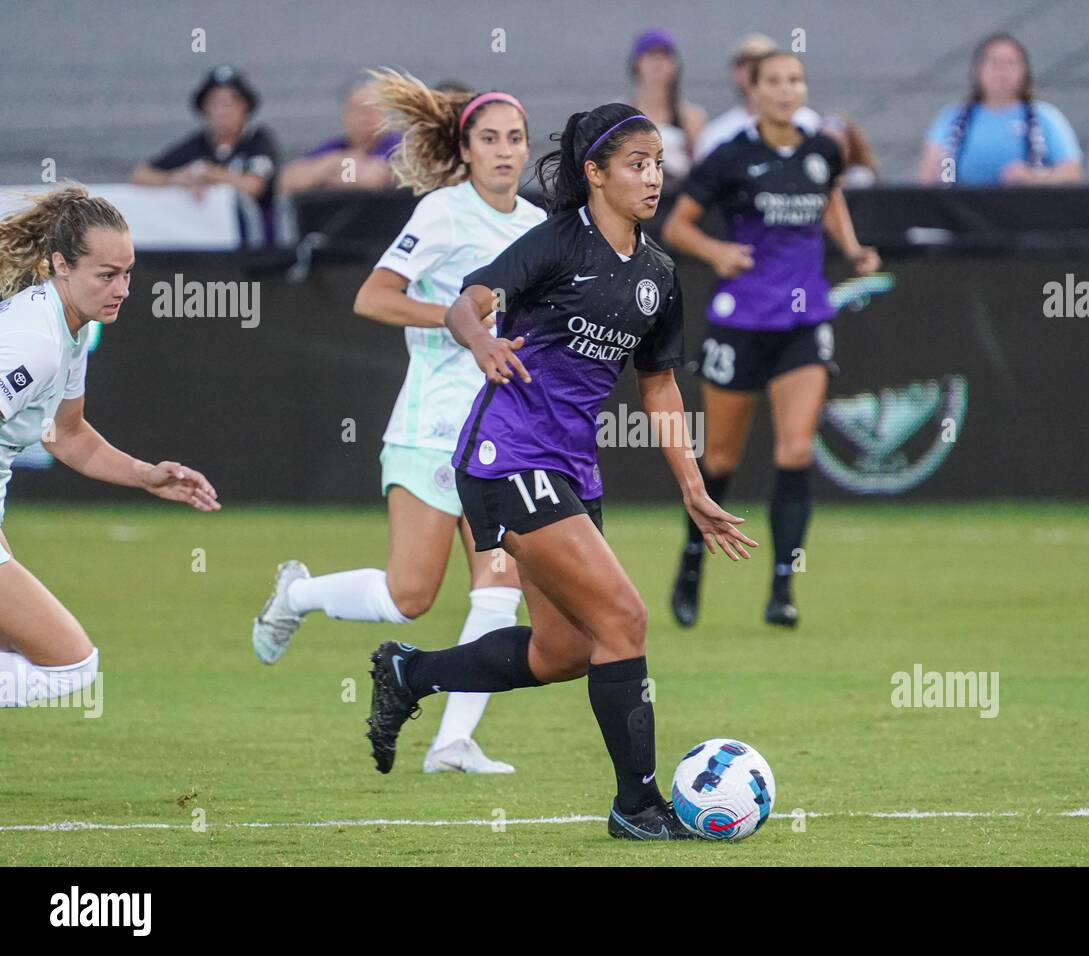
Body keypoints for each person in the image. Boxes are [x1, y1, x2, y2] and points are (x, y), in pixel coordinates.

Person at [363, 103, 756, 840]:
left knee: (565, 650)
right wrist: (480, 340)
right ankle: (636, 806)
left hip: (571, 468)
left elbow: (660, 386)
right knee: (626, 618)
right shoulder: (554, 243)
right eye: (636, 164)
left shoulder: (658, 274)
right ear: (595, 173)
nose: (652, 177)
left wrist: (694, 487)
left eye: (659, 163)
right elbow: (464, 303)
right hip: (505, 455)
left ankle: (409, 674)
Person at [251, 71, 544, 775]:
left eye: (515, 139)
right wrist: (455, 320)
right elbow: (374, 298)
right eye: (489, 139)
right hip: (429, 426)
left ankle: (451, 742)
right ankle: (296, 595)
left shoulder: (538, 228)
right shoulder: (443, 212)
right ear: (465, 150)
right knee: (409, 596)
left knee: (500, 585)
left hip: (500, 433)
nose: (504, 151)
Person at [662, 50, 880, 629]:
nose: (787, 91)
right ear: (753, 91)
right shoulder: (731, 156)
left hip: (805, 321)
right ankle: (691, 563)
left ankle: (782, 588)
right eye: (774, 82)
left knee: (795, 450)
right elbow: (675, 224)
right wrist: (716, 251)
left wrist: (853, 248)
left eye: (795, 80)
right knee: (722, 459)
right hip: (741, 321)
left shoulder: (822, 149)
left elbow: (830, 196)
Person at [0, 184, 219, 707]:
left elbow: (67, 434)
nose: (122, 288)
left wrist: (146, 475)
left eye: (127, 273)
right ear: (61, 265)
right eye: (106, 275)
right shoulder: (38, 340)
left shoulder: (69, 327)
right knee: (71, 668)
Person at [132, 65, 281, 242]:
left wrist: (209, 174)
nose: (224, 111)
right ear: (205, 109)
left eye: (232, 103)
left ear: (245, 108)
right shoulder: (198, 144)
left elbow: (254, 186)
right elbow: (141, 174)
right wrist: (177, 179)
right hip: (209, 242)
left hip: (258, 241)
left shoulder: (258, 141)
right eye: (216, 103)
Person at [917, 34, 1082, 185]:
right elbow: (927, 176)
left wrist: (1034, 178)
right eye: (994, 63)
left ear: (1024, 73)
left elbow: (1072, 172)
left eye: (1010, 63)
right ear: (978, 71)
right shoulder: (951, 118)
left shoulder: (1045, 117)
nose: (1001, 71)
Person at [694, 34, 822, 162]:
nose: (751, 71)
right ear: (734, 72)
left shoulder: (809, 123)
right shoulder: (718, 134)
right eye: (744, 64)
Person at [279, 75, 400, 195]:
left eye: (373, 108)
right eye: (358, 110)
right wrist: (336, 165)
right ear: (344, 116)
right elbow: (285, 181)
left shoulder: (397, 146)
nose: (365, 117)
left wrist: (338, 175)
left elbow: (381, 176)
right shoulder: (337, 147)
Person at [627, 29, 708, 191]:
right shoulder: (619, 116)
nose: (657, 63)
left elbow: (703, 173)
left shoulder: (691, 117)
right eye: (651, 56)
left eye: (664, 56)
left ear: (674, 65)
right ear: (637, 63)